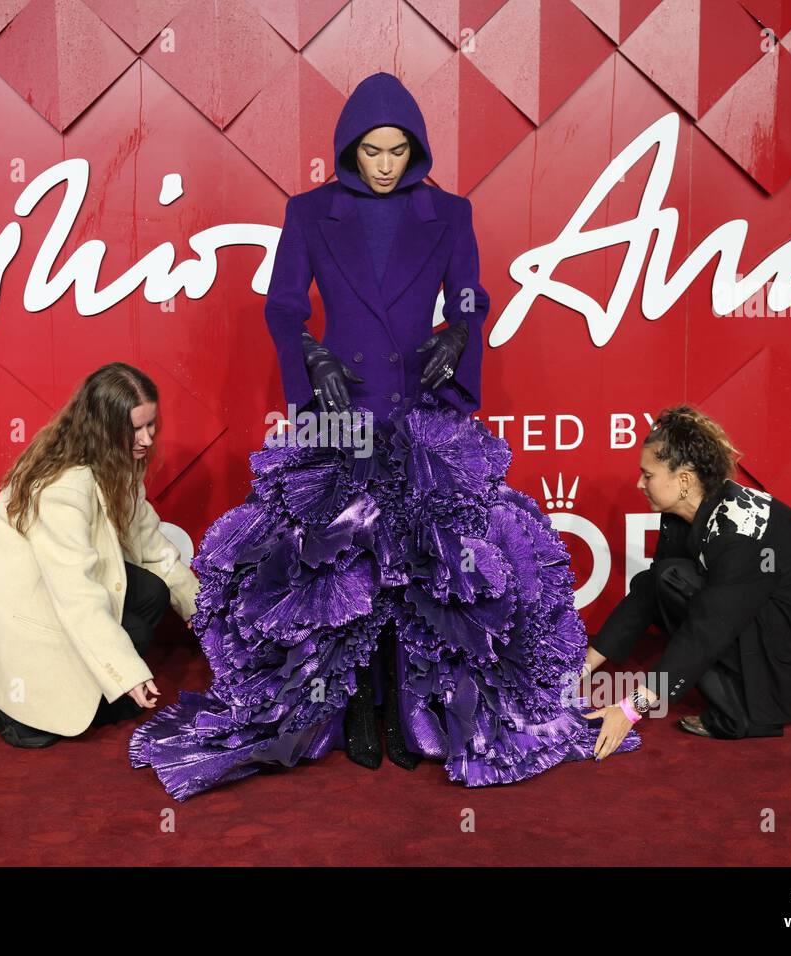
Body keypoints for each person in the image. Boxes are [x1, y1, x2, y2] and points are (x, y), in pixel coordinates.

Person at [129, 72, 639, 801]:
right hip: (341, 411)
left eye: (399, 150)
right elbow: (280, 307)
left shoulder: (449, 212)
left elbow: (470, 291)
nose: (385, 164)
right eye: (373, 149)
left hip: (420, 414)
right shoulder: (308, 212)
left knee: (418, 576)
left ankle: (405, 718)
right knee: (345, 571)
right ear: (349, 147)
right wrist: (308, 356)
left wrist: (459, 330)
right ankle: (360, 717)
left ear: (416, 148)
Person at [583, 405, 791, 755]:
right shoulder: (682, 512)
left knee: (692, 600)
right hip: (784, 617)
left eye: (647, 475)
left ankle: (745, 714)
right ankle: (742, 695)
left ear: (683, 480)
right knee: (667, 579)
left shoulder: (738, 532)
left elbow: (706, 632)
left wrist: (628, 710)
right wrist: (583, 666)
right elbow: (648, 593)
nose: (639, 483)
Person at [0, 364, 200, 748]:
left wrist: (206, 615)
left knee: (153, 591)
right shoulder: (63, 487)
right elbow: (76, 594)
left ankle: (90, 690)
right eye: (137, 428)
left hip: (54, 590)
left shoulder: (116, 463)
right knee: (132, 640)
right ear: (106, 429)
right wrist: (127, 673)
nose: (147, 438)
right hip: (21, 614)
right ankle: (7, 703)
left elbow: (153, 547)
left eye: (152, 425)